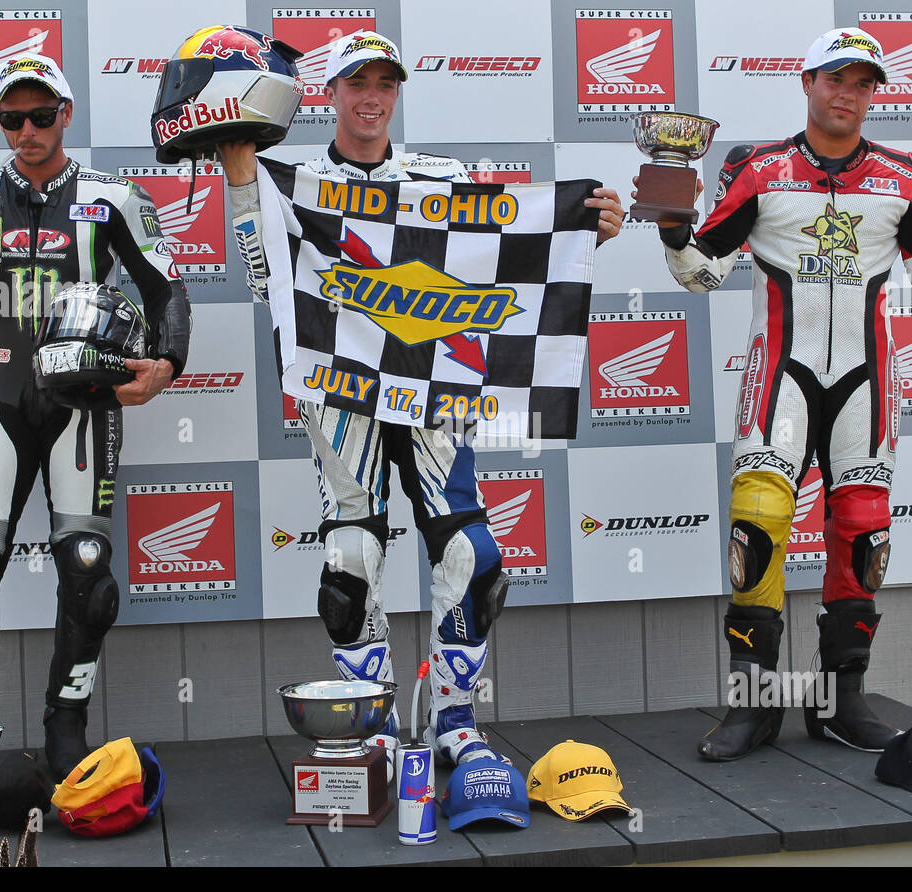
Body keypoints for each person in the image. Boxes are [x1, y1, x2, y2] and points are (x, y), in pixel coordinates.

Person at [218, 30, 624, 766]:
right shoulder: (299, 181)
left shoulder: (442, 175)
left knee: (471, 554)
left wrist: (587, 226)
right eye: (356, 83)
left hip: (436, 382)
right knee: (351, 557)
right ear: (331, 94)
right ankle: (369, 727)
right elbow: (262, 280)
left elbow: (502, 255)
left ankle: (456, 724)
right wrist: (243, 184)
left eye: (385, 83)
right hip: (343, 386)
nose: (371, 98)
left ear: (397, 92)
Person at [644, 27, 912, 760]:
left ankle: (843, 700)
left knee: (865, 531)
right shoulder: (758, 166)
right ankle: (753, 705)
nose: (848, 93)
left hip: (866, 378)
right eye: (834, 78)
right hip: (782, 372)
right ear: (806, 82)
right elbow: (703, 270)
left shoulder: (907, 173)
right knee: (759, 519)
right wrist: (675, 230)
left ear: (874, 92)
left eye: (863, 82)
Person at [0, 54, 192, 784]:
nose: (26, 130)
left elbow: (167, 288)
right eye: (10, 118)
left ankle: (66, 732)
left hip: (82, 406)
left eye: (40, 115)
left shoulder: (112, 196)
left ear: (66, 115)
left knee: (86, 570)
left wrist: (166, 365)